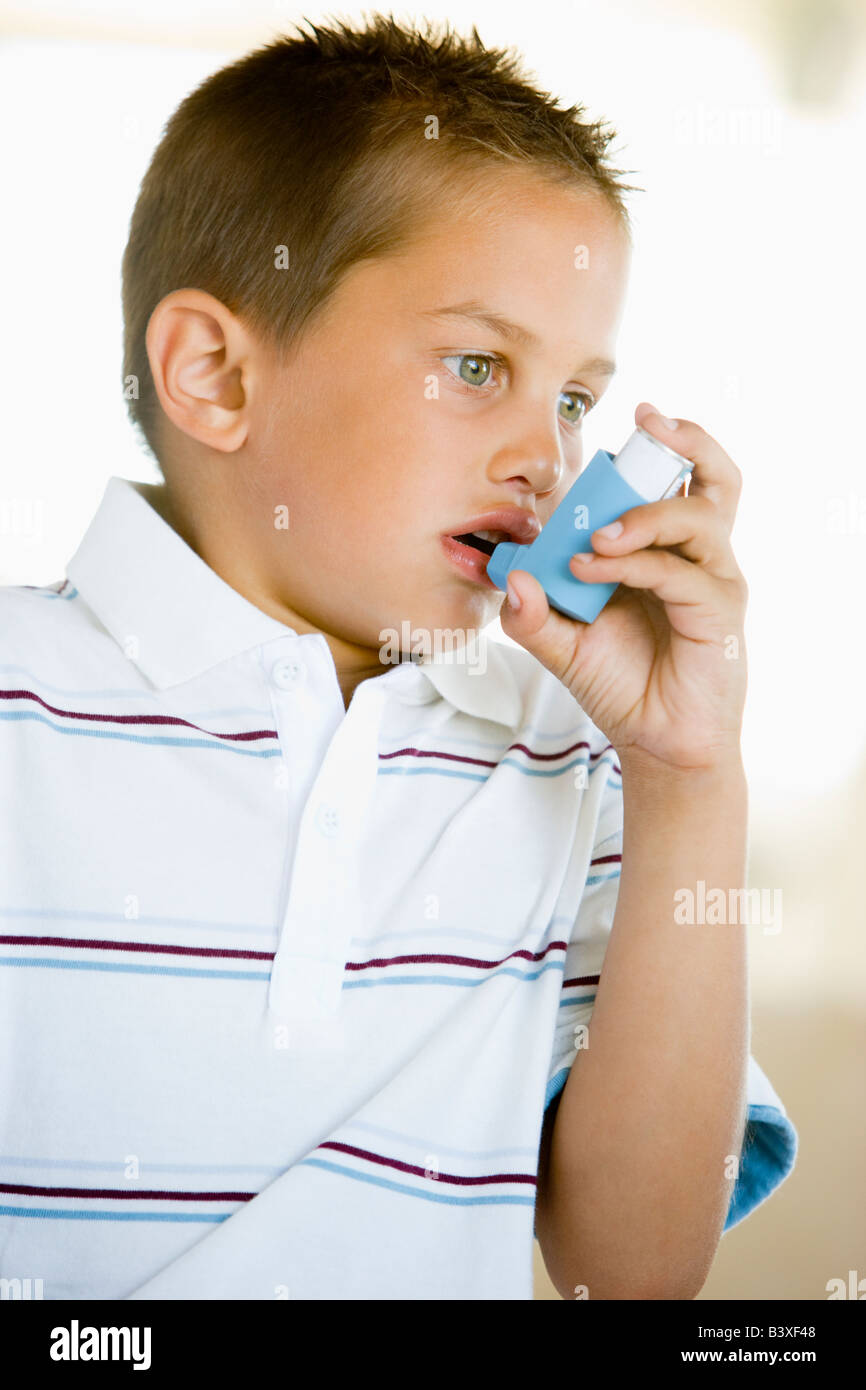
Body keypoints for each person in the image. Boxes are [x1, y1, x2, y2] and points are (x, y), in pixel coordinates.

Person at [0, 13, 796, 1301]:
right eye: (477, 364)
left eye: (578, 398)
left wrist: (687, 776)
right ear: (214, 373)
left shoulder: (569, 757)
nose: (550, 456)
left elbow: (635, 1275)